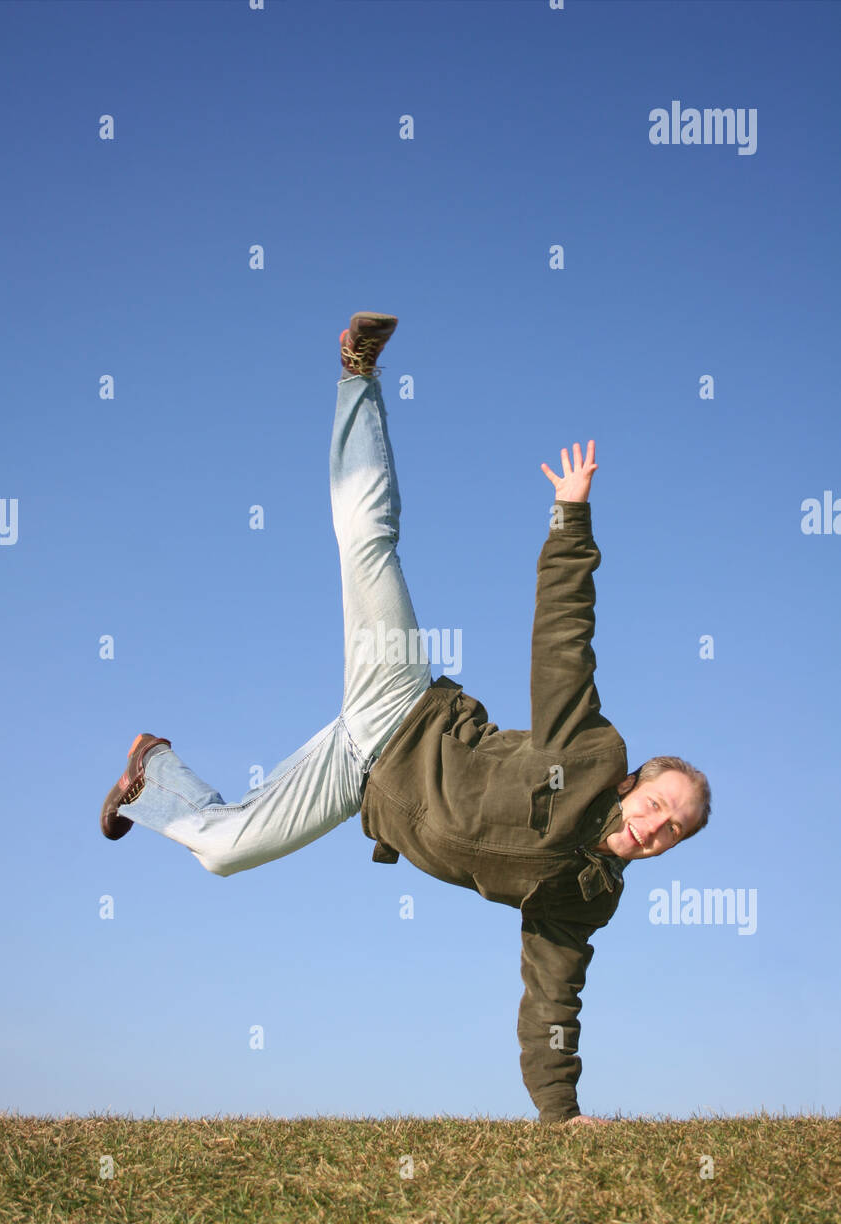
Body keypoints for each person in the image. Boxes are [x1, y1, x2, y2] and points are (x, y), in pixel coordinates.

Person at [101, 312, 711, 1128]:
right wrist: (571, 522)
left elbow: (553, 991)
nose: (654, 825)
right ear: (635, 783)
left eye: (673, 829)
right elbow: (565, 642)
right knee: (368, 543)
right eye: (657, 803)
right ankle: (358, 374)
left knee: (222, 851)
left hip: (364, 783)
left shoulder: (585, 896)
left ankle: (154, 774)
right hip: (402, 704)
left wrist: (560, 1114)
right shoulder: (591, 755)